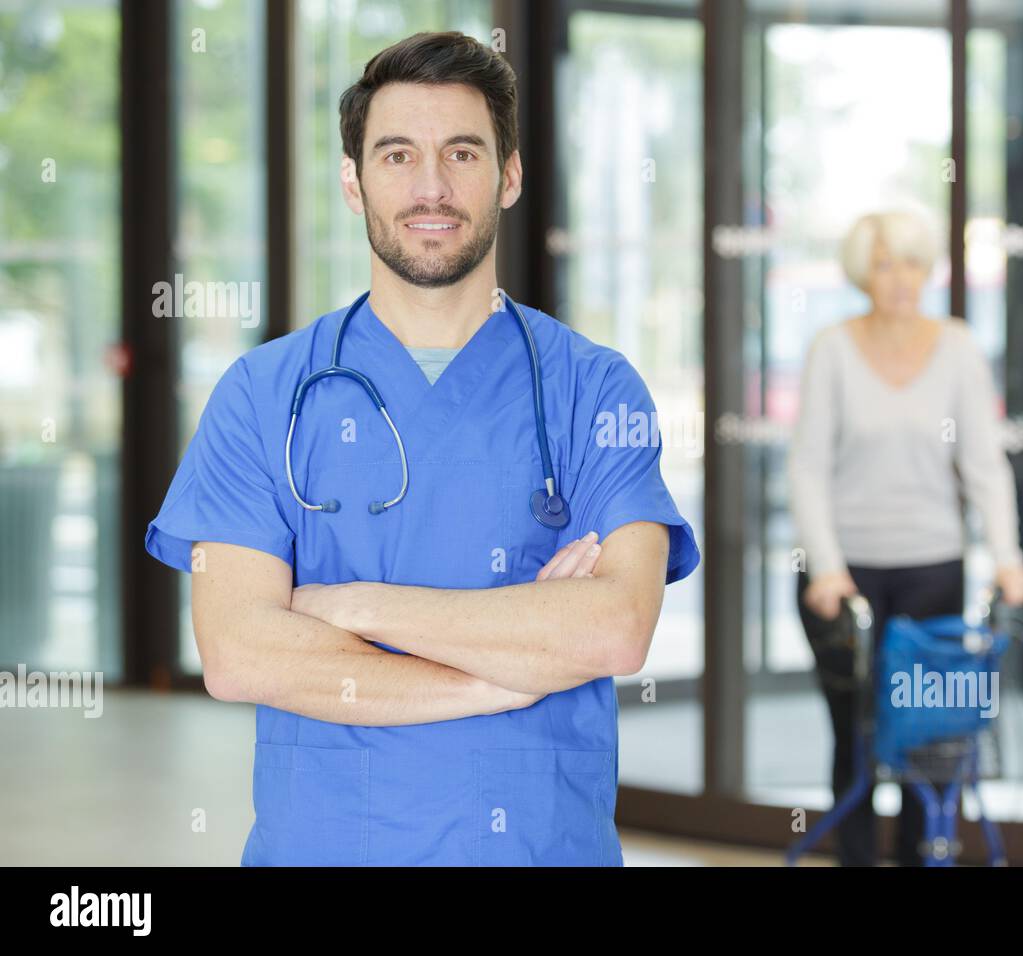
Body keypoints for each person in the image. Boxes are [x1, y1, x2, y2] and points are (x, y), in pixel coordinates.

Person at [144, 32, 700, 866]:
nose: (431, 187)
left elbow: (618, 628)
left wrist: (351, 605)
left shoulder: (595, 389)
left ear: (508, 176)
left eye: (462, 154)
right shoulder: (262, 393)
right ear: (352, 179)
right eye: (397, 155)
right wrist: (497, 676)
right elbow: (236, 652)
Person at [787, 208, 1023, 866]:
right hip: (846, 578)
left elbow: (984, 465)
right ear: (864, 273)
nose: (902, 278)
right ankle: (860, 859)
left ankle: (927, 854)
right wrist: (827, 570)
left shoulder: (956, 348)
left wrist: (1008, 559)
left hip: (931, 569)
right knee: (858, 737)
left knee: (927, 738)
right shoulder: (832, 349)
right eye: (886, 263)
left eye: (913, 264)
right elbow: (808, 469)